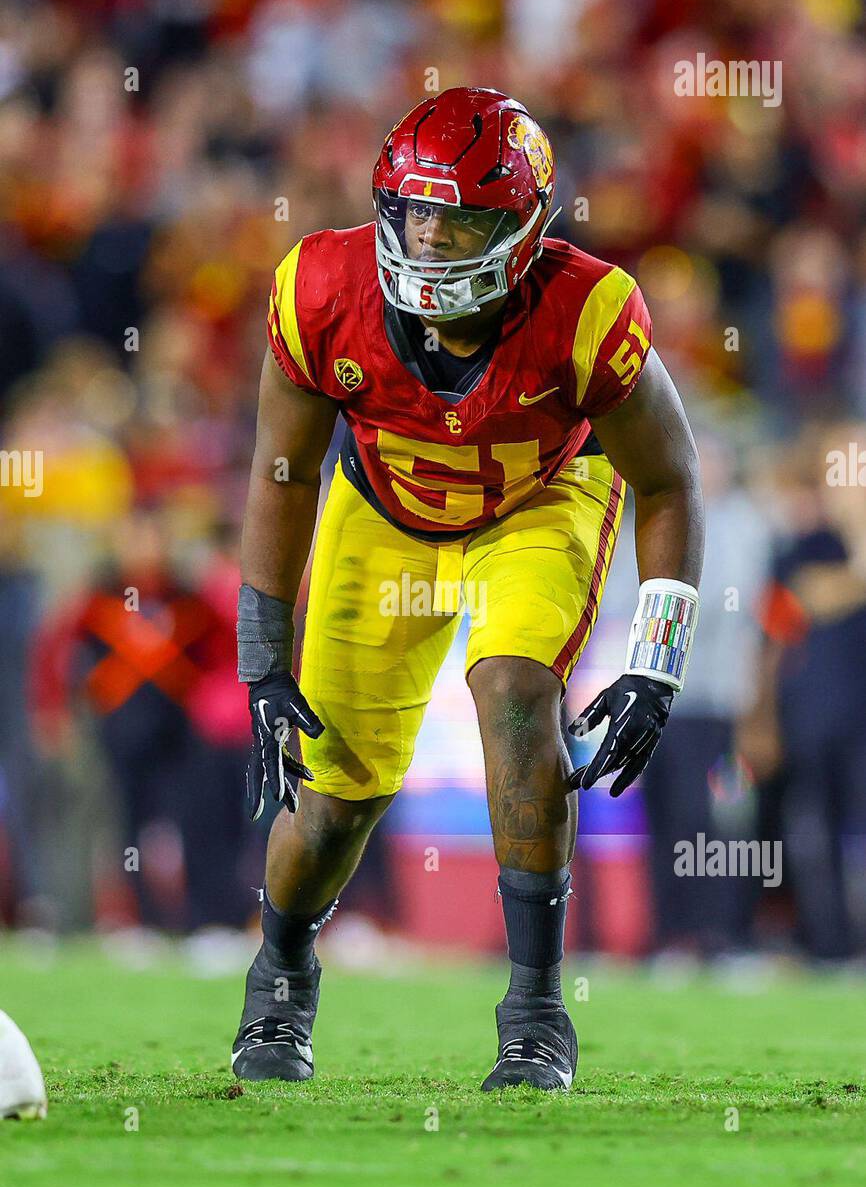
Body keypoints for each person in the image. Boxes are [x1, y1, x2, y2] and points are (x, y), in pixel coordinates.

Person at [231, 87, 704, 1091]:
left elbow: (668, 476)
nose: (432, 235)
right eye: (416, 210)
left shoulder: (585, 311)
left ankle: (535, 1011)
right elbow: (279, 475)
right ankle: (280, 971)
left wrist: (655, 663)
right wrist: (263, 662)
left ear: (526, 226)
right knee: (333, 797)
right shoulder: (320, 286)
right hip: (382, 508)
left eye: (464, 216)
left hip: (536, 497)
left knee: (515, 692)